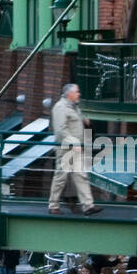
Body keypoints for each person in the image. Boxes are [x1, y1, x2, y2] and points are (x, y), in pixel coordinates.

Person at [49, 83, 102, 216]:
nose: (79, 94)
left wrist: (84, 122)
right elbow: (61, 129)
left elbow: (72, 124)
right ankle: (53, 205)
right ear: (69, 94)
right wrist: (74, 143)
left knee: (81, 175)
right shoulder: (60, 107)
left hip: (76, 147)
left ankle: (88, 206)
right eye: (77, 92)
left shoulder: (74, 107)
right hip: (66, 147)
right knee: (61, 176)